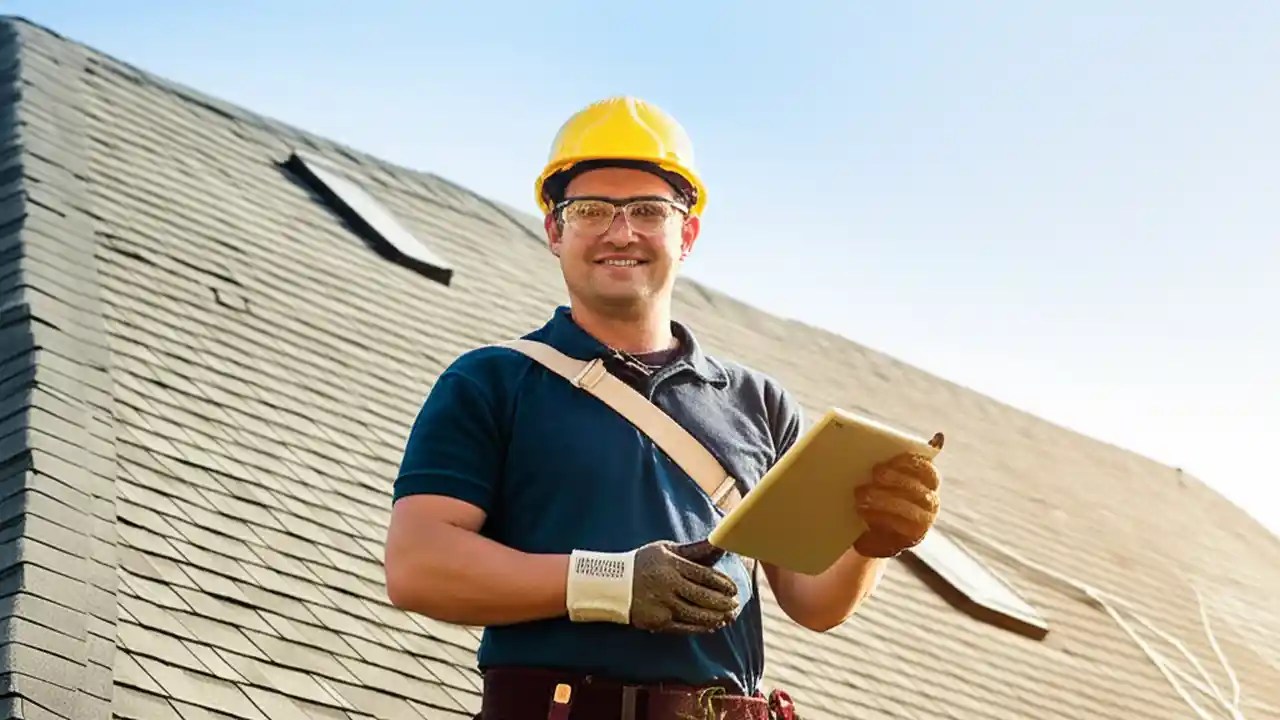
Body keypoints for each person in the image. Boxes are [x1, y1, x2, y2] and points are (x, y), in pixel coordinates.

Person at [383, 96, 942, 720]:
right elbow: (418, 565)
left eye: (649, 211)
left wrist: (871, 544)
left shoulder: (761, 405)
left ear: (688, 233)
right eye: (591, 210)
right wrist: (609, 584)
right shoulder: (491, 381)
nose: (621, 232)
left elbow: (812, 603)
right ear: (554, 231)